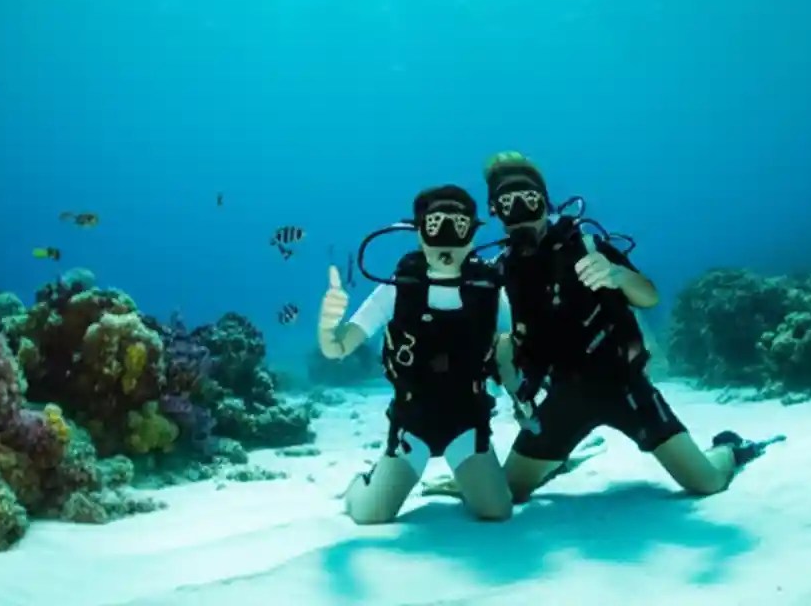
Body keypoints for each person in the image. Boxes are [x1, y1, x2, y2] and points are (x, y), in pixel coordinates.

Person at [481, 152, 770, 503]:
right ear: (494, 211)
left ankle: (729, 448)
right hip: (563, 397)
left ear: (546, 203)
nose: (521, 212)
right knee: (507, 493)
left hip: (625, 387)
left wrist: (617, 274)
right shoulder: (502, 268)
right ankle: (556, 461)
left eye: (530, 200)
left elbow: (649, 296)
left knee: (706, 483)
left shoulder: (586, 246)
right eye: (508, 204)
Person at [317, 184, 514, 524]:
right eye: (436, 225)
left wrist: (523, 398)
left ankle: (464, 480)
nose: (447, 239)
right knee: (371, 515)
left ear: (473, 233)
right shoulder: (398, 288)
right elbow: (339, 348)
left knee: (497, 511)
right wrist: (326, 329)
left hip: (468, 421)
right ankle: (359, 487)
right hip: (413, 423)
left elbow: (511, 348)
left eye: (459, 225)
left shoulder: (490, 291)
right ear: (419, 232)